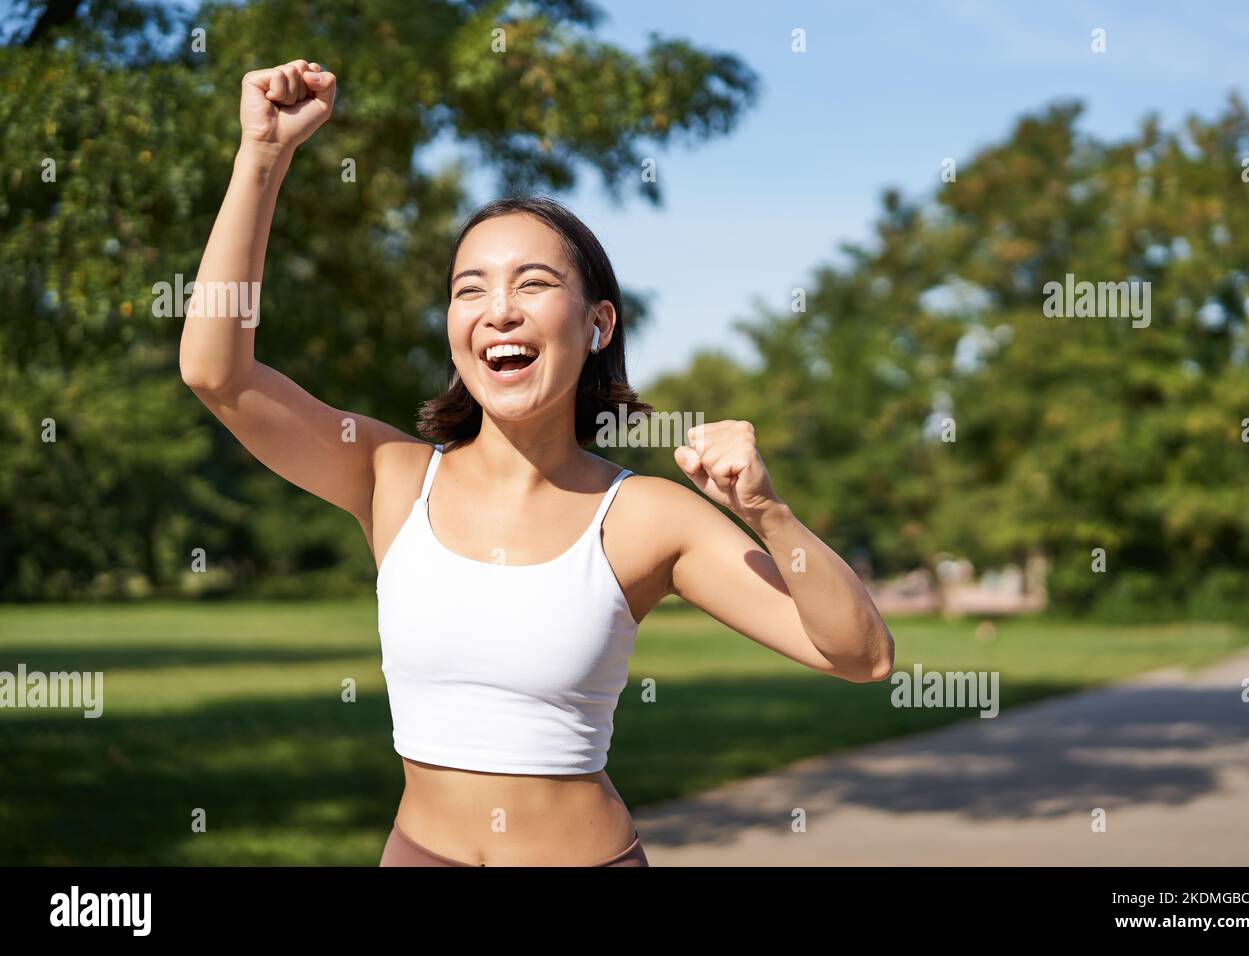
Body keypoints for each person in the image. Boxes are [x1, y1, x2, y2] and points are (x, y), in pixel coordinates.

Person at [179, 59, 895, 867]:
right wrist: (262, 158)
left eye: (533, 283)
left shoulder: (645, 516)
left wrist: (768, 512)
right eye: (470, 290)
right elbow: (217, 372)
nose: (499, 311)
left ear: (596, 324)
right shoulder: (388, 476)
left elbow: (860, 655)